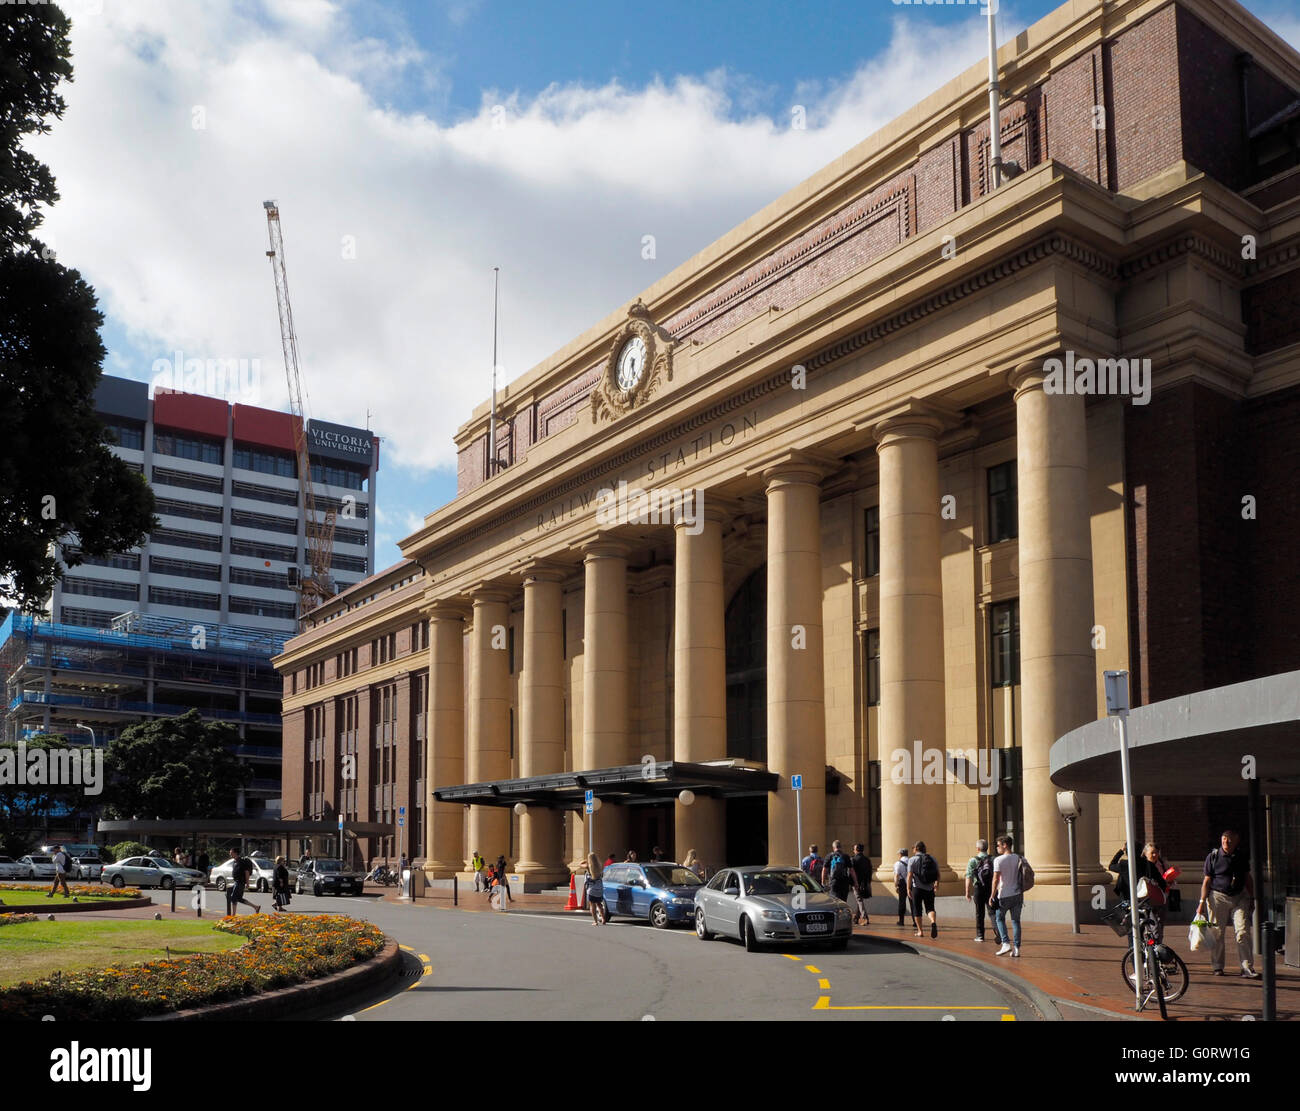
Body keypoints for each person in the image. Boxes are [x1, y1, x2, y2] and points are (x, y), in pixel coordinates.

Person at [1197, 830, 1259, 979]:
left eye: (1229, 840)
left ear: (1236, 841)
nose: (1226, 842)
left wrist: (1252, 898)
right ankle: (1217, 966)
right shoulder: (1213, 857)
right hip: (1218, 897)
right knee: (1217, 933)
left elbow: (1247, 877)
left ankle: (1246, 968)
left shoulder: (1241, 856)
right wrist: (1201, 902)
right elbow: (1207, 881)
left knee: (1243, 931)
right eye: (1224, 839)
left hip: (1239, 897)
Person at [990, 834, 1023, 957]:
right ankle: (1017, 948)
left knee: (999, 918)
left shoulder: (998, 860)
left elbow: (995, 879)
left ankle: (1005, 943)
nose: (997, 848)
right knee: (1016, 921)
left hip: (1004, 895)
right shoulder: (1018, 858)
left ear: (1005, 845)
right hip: (1017, 894)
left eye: (998, 845)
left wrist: (992, 895)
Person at [906, 840, 939, 938]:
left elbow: (909, 875)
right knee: (930, 908)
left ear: (916, 849)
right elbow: (938, 874)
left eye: (913, 848)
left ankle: (920, 931)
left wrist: (908, 888)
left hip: (917, 888)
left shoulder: (912, 860)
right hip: (929, 888)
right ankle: (933, 922)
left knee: (917, 910)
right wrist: (936, 884)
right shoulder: (932, 859)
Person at [965, 838, 993, 942]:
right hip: (990, 888)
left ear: (977, 848)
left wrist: (967, 892)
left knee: (979, 913)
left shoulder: (973, 860)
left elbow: (968, 876)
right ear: (987, 848)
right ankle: (998, 933)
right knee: (993, 912)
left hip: (978, 888)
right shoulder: (993, 859)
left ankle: (980, 935)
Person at [224, 849, 261, 916]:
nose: (230, 854)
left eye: (231, 853)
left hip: (240, 882)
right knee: (239, 898)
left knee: (233, 897)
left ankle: (233, 915)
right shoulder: (235, 861)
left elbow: (246, 872)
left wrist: (247, 883)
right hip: (236, 882)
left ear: (236, 853)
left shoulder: (241, 861)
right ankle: (256, 907)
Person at [821, 840, 856, 907]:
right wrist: (855, 882)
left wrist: (823, 882)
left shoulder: (829, 856)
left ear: (833, 847)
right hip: (844, 883)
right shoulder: (846, 856)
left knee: (834, 901)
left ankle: (836, 916)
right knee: (843, 902)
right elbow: (852, 870)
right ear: (841, 847)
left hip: (833, 882)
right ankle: (843, 915)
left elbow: (824, 870)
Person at [848, 843, 872, 925]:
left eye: (854, 849)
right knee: (859, 899)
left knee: (859, 899)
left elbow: (851, 872)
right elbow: (870, 872)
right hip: (865, 883)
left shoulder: (853, 859)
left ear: (856, 850)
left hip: (856, 883)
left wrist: (851, 883)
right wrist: (868, 882)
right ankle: (856, 918)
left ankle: (865, 917)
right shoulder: (867, 860)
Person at [584, 853, 606, 926]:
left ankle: (595, 921)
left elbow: (580, 865)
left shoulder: (588, 867)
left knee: (592, 905)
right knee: (599, 904)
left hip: (592, 889)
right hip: (599, 888)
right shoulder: (600, 866)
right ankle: (603, 919)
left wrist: (585, 861)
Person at [893, 849, 909, 926]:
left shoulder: (898, 863)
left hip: (902, 884)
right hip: (911, 883)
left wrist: (896, 885)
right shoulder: (911, 861)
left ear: (900, 854)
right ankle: (915, 921)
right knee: (913, 903)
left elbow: (896, 875)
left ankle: (901, 921)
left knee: (902, 902)